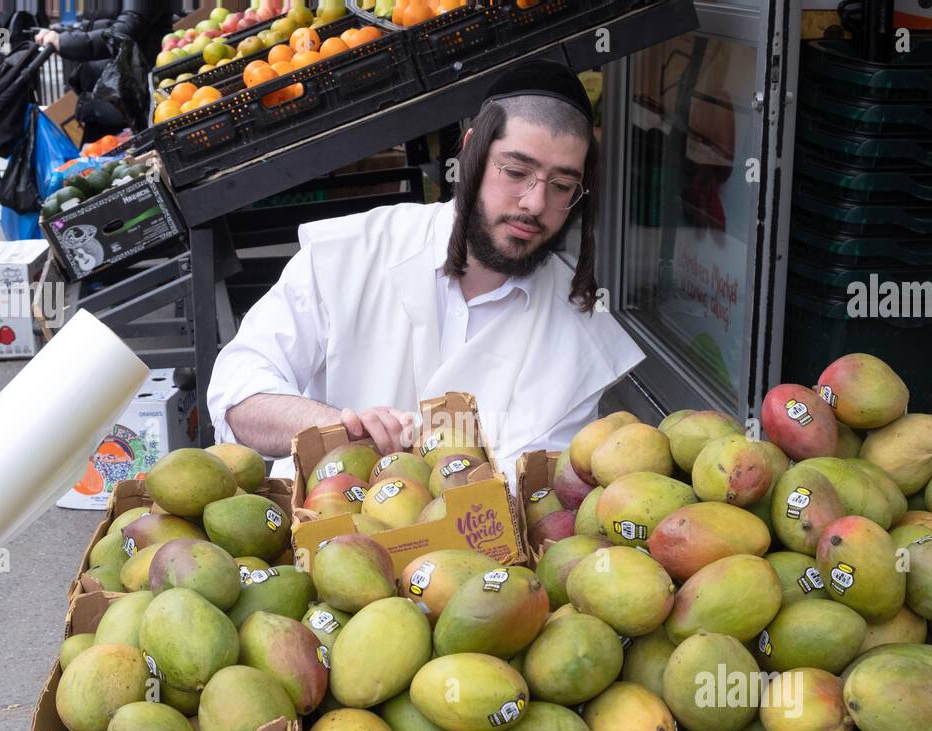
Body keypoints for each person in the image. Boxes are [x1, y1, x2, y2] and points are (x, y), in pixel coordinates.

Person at [207, 60, 645, 489]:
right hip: (319, 540)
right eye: (515, 172)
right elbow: (237, 390)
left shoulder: (581, 337)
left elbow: (542, 491)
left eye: (562, 186)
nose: (534, 202)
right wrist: (331, 427)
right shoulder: (353, 251)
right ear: (472, 149)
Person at [35, 0, 174, 142]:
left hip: (131, 94)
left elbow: (124, 31)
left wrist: (65, 42)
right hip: (105, 91)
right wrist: (62, 36)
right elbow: (97, 25)